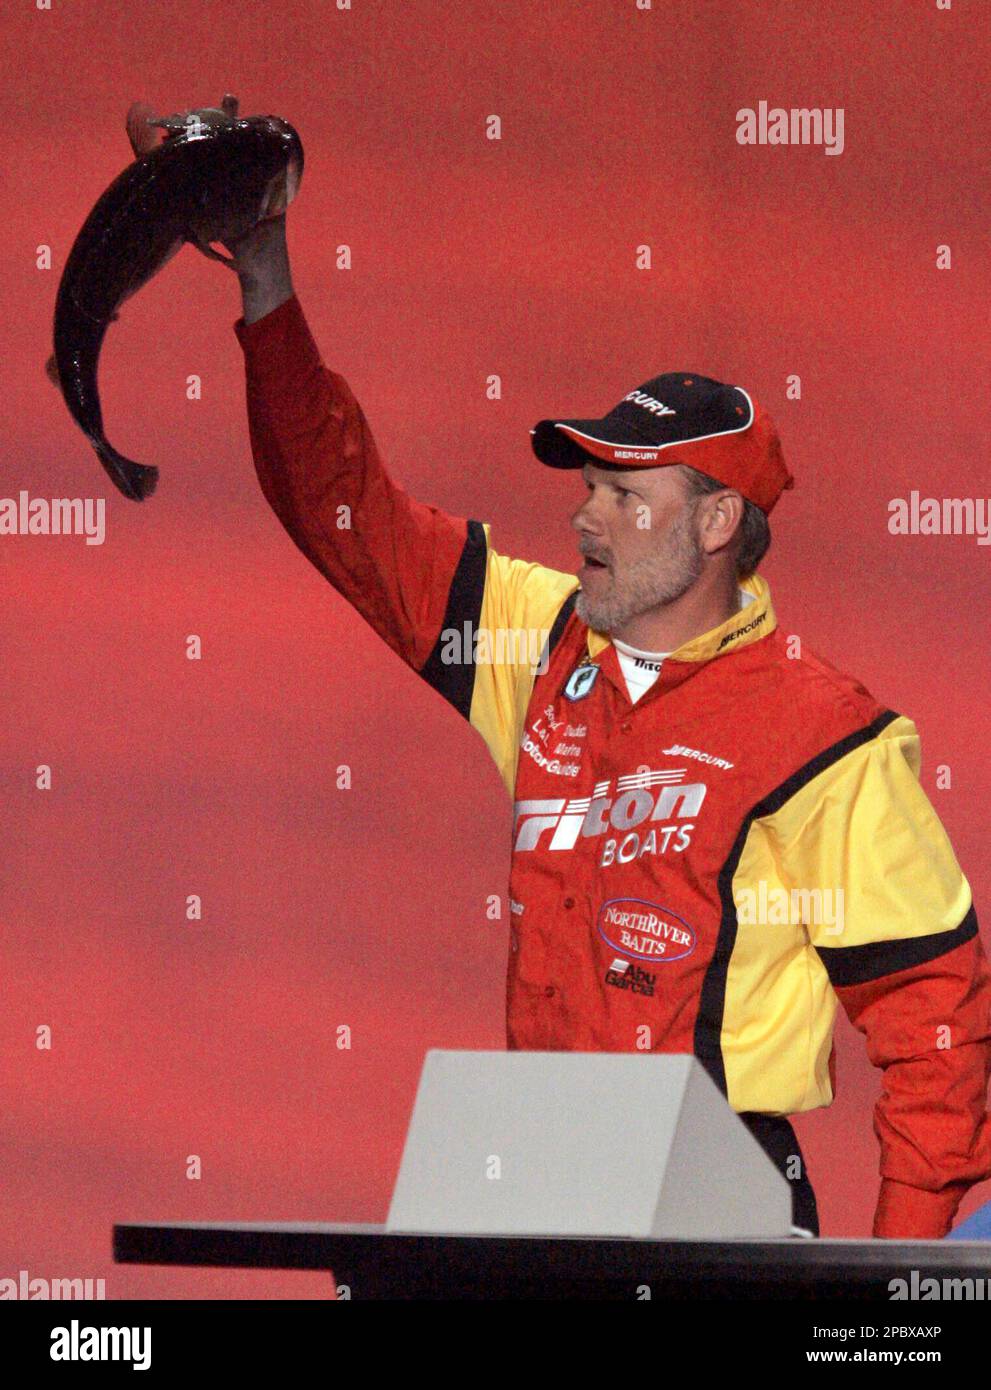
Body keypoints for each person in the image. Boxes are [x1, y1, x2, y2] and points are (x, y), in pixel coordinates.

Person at [126, 103, 991, 1240]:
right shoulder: (534, 641)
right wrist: (267, 276)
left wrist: (900, 1302)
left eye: (626, 496)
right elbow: (344, 514)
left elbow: (933, 1020)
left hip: (723, 1207)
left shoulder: (830, 735)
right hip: (530, 1180)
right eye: (587, 487)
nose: (587, 517)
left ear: (720, 520)